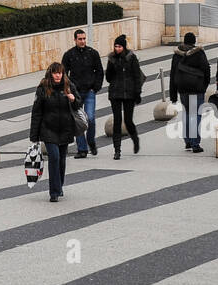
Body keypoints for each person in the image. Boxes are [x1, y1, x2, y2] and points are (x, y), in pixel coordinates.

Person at [29, 62, 79, 203]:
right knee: (54, 158)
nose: (58, 75)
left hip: (65, 129)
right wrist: (34, 136)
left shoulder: (69, 86)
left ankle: (59, 185)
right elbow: (36, 112)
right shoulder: (43, 88)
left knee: (62, 160)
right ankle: (54, 192)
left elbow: (78, 104)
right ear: (50, 73)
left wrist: (73, 99)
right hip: (48, 129)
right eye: (55, 72)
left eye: (60, 72)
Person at [62, 29, 104, 158]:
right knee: (78, 121)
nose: (82, 41)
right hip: (76, 93)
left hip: (90, 92)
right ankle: (82, 149)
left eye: (84, 38)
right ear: (75, 40)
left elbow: (100, 71)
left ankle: (91, 141)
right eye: (80, 39)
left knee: (90, 118)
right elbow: (63, 73)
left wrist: (95, 87)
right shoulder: (69, 55)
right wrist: (68, 90)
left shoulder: (93, 53)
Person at [169, 31, 212, 153]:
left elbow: (173, 74)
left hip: (182, 89)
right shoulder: (199, 53)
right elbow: (206, 70)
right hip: (196, 89)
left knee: (187, 114)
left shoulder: (177, 55)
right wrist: (204, 86)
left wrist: (173, 95)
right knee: (195, 115)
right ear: (194, 41)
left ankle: (188, 140)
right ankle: (195, 143)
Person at [105, 34, 143, 159]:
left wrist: (137, 93)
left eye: (120, 46)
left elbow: (137, 76)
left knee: (128, 120)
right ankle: (117, 150)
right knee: (117, 121)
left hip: (129, 93)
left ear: (124, 47)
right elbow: (109, 78)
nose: (117, 48)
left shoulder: (131, 58)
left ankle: (135, 139)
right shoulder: (112, 59)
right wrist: (111, 66)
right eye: (115, 46)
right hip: (115, 93)